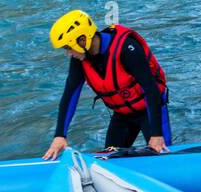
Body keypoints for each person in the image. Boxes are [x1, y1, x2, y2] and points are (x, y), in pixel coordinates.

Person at [43, 9, 171, 161]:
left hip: (150, 111)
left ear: (82, 39)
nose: (69, 54)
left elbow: (151, 89)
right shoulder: (80, 59)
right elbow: (70, 96)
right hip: (122, 115)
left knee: (162, 155)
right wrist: (59, 135)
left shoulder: (126, 48)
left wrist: (156, 135)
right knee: (108, 160)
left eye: (68, 48)